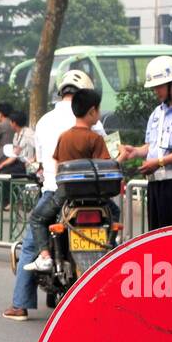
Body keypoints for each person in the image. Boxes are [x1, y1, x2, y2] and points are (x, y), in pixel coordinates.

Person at [5, 69, 106, 321]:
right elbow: (109, 157)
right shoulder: (95, 124)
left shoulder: (45, 122)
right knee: (111, 232)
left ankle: (21, 303)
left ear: (61, 92)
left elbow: (44, 160)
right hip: (94, 195)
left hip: (56, 190)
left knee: (31, 241)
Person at [24, 88, 112, 272]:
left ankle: (45, 257)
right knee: (114, 214)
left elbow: (57, 166)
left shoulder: (64, 137)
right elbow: (105, 165)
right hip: (96, 198)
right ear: (92, 111)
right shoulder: (96, 139)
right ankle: (110, 247)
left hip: (64, 195)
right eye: (99, 109)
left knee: (37, 218)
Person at [118, 55, 172, 231]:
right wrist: (136, 151)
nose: (156, 91)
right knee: (156, 239)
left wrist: (160, 162)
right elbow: (153, 145)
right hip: (155, 186)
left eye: (159, 86)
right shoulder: (157, 113)